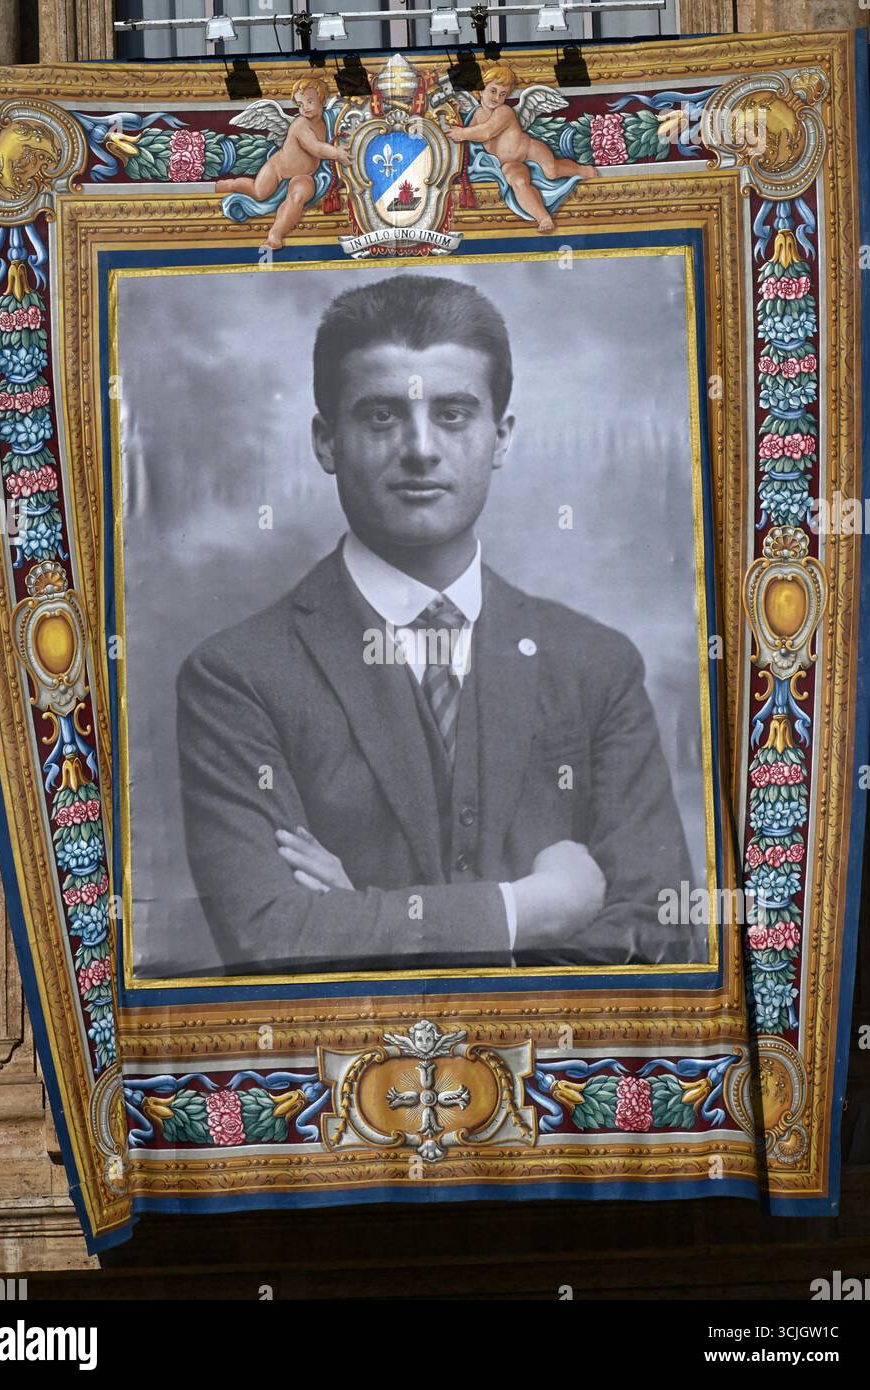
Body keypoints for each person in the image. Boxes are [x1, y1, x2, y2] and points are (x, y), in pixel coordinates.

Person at [176, 273, 695, 974]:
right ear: (326, 441)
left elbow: (659, 937)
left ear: (499, 436)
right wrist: (526, 912)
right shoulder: (237, 676)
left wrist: (362, 917)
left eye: (452, 414)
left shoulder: (594, 665)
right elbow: (270, 932)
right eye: (382, 416)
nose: (420, 449)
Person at [445, 61, 597, 232]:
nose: (497, 98)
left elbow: (487, 132)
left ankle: (580, 170)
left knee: (551, 171)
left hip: (529, 149)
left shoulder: (504, 112)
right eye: (493, 91)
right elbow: (465, 130)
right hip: (508, 162)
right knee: (518, 182)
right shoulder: (476, 115)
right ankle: (543, 217)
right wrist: (454, 112)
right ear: (481, 90)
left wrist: (463, 133)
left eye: (503, 94)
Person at [216, 77, 351, 250]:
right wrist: (337, 153)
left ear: (322, 99)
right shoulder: (300, 124)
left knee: (298, 195)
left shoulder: (328, 120)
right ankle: (228, 184)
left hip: (305, 175)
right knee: (259, 192)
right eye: (300, 104)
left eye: (310, 101)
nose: (305, 108)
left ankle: (275, 234)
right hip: (277, 169)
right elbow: (315, 148)